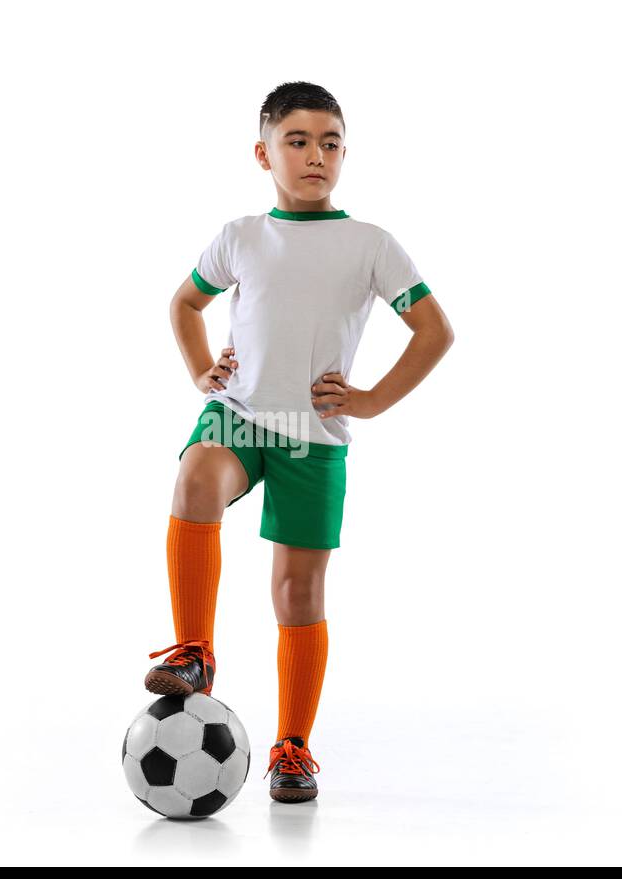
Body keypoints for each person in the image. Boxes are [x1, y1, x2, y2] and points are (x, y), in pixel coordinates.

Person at [144, 81, 455, 803]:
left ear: (344, 154)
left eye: (331, 143)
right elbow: (186, 301)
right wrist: (200, 369)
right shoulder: (242, 236)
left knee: (298, 590)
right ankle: (193, 652)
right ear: (264, 153)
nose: (316, 155)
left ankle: (292, 747)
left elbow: (434, 329)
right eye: (298, 141)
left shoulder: (370, 244)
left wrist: (373, 399)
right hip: (239, 413)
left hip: (314, 434)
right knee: (195, 478)